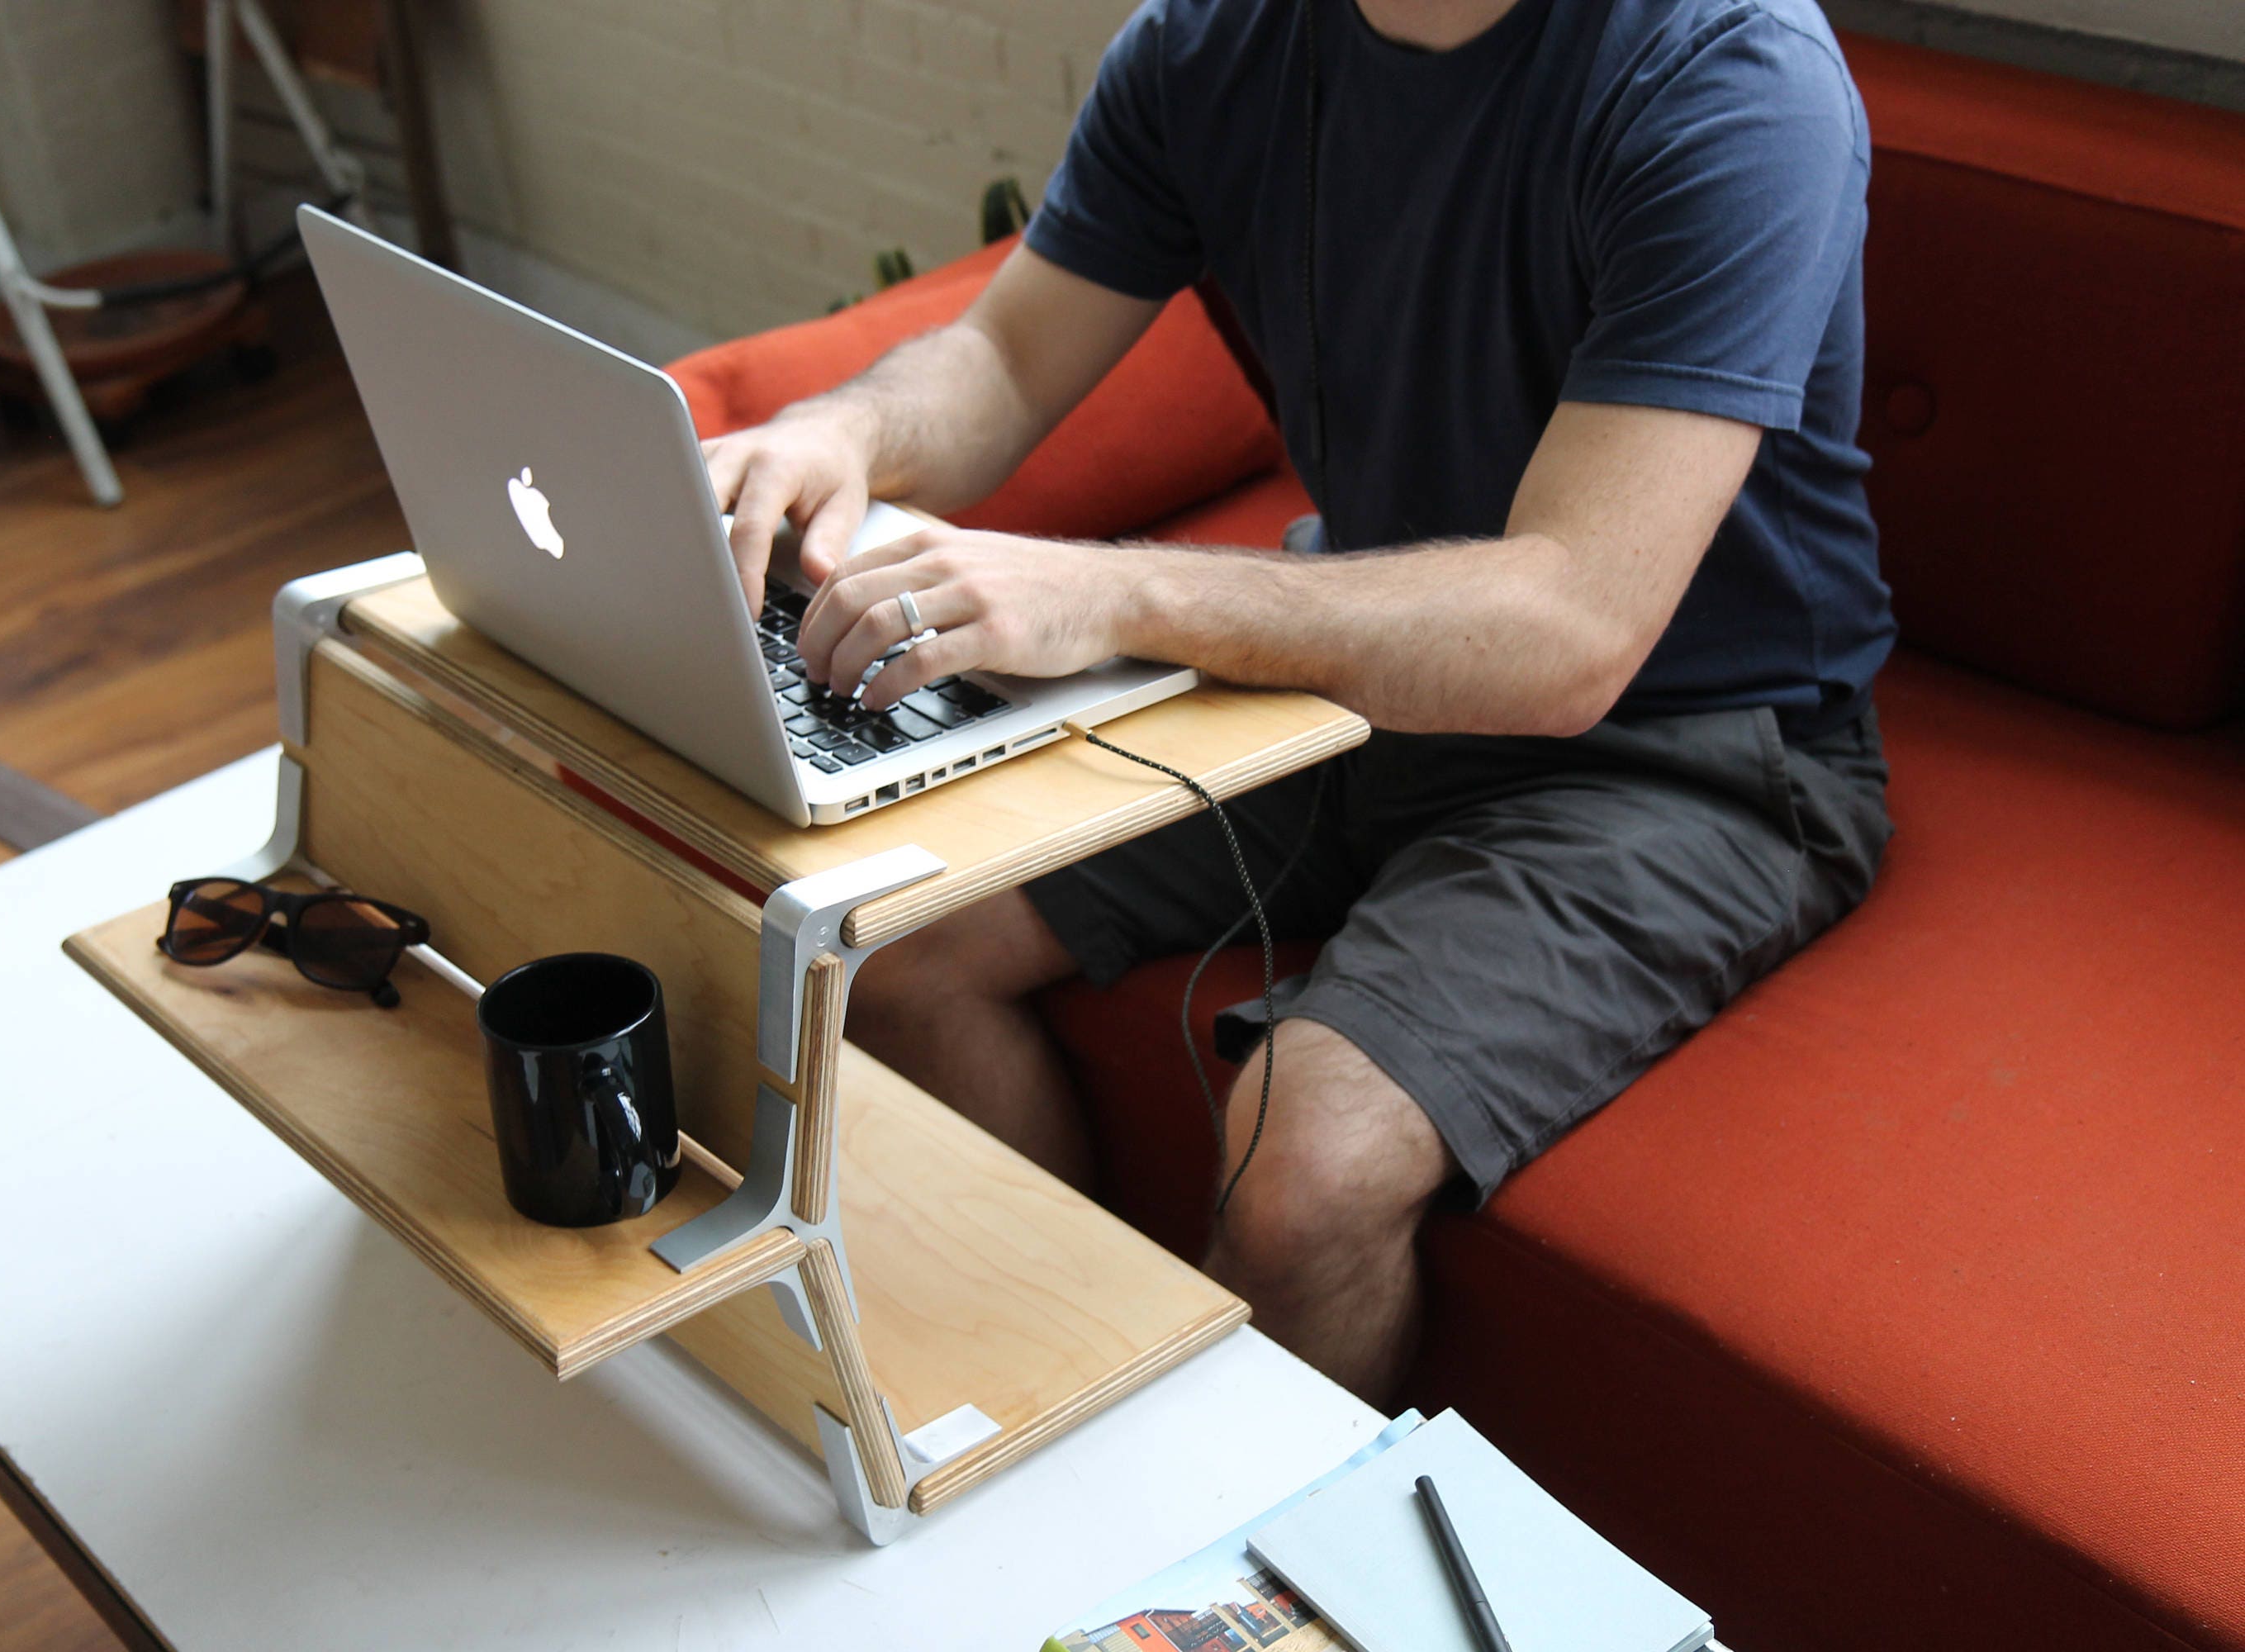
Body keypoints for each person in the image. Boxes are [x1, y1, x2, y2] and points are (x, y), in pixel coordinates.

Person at [701, 0, 1896, 1403]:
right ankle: (1051, 1422)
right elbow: (1010, 360)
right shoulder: (1214, 44)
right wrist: (841, 429)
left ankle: (1188, 1592)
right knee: (893, 951)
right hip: (1357, 669)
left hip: (1691, 750)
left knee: (1306, 1174)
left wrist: (1117, 598)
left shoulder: (1729, 79)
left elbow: (1573, 629)